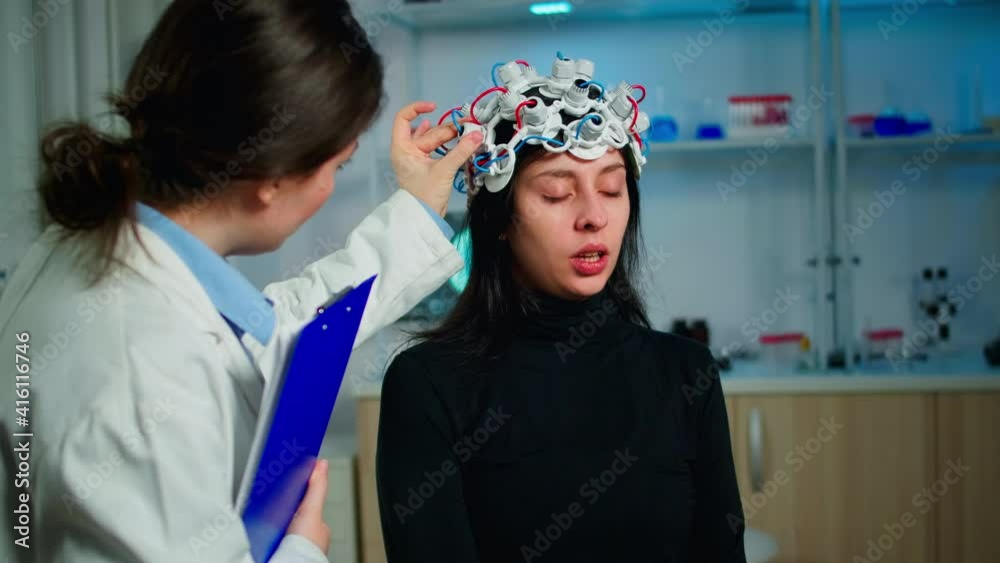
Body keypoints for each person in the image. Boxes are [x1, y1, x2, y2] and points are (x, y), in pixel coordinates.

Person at [0, 1, 483, 562]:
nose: (330, 186)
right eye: (337, 167)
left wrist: (417, 209)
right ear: (272, 179)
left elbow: (269, 332)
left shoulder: (91, 246)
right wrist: (301, 550)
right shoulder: (140, 367)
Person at [375, 55, 747, 562]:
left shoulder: (686, 374)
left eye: (612, 189)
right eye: (556, 193)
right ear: (499, 220)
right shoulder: (427, 386)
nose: (594, 216)